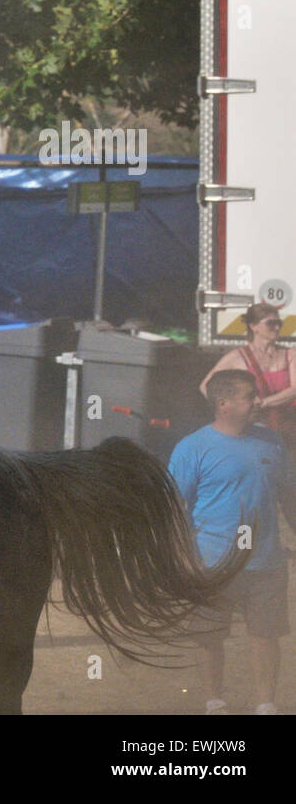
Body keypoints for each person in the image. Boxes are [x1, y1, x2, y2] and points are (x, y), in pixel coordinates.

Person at [169, 369, 296, 715]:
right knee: (209, 636)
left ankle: (265, 705)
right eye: (249, 396)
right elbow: (174, 509)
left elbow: (289, 496)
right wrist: (183, 556)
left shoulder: (271, 440)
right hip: (212, 562)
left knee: (265, 636)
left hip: (266, 561)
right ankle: (215, 703)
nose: (258, 401)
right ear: (223, 403)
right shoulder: (191, 448)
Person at [200, 303, 296, 450]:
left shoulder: (290, 354)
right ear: (254, 326)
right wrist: (231, 415)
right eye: (271, 323)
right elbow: (206, 387)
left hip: (288, 430)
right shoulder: (238, 357)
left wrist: (262, 403)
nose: (277, 328)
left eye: (279, 323)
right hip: (254, 433)